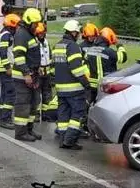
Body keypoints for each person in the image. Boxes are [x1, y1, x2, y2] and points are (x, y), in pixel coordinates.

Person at [53, 20, 92, 149]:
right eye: (78, 32)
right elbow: (76, 69)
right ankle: (69, 141)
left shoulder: (58, 45)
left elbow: (54, 67)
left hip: (60, 89)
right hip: (74, 89)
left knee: (63, 115)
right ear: (74, 32)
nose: (79, 35)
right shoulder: (73, 46)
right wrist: (86, 84)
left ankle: (63, 139)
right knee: (78, 114)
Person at [10, 8, 45, 141]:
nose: (37, 26)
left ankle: (29, 130)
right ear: (29, 22)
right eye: (35, 24)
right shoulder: (22, 35)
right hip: (22, 76)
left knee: (34, 102)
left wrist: (38, 68)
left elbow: (33, 55)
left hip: (33, 74)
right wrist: (26, 73)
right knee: (23, 104)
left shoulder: (30, 34)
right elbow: (19, 57)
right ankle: (20, 133)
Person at [0, 14, 21, 129]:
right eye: (17, 26)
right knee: (11, 93)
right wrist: (7, 67)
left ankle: (3, 118)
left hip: (2, 68)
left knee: (5, 94)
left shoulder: (5, 34)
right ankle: (5, 119)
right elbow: (3, 52)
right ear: (12, 25)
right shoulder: (6, 35)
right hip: (5, 68)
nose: (18, 29)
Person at [80, 23, 105, 135]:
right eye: (90, 36)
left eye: (94, 36)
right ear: (85, 35)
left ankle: (90, 125)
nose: (92, 38)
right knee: (86, 103)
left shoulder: (97, 45)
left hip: (95, 80)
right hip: (86, 80)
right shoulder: (81, 47)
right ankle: (83, 124)